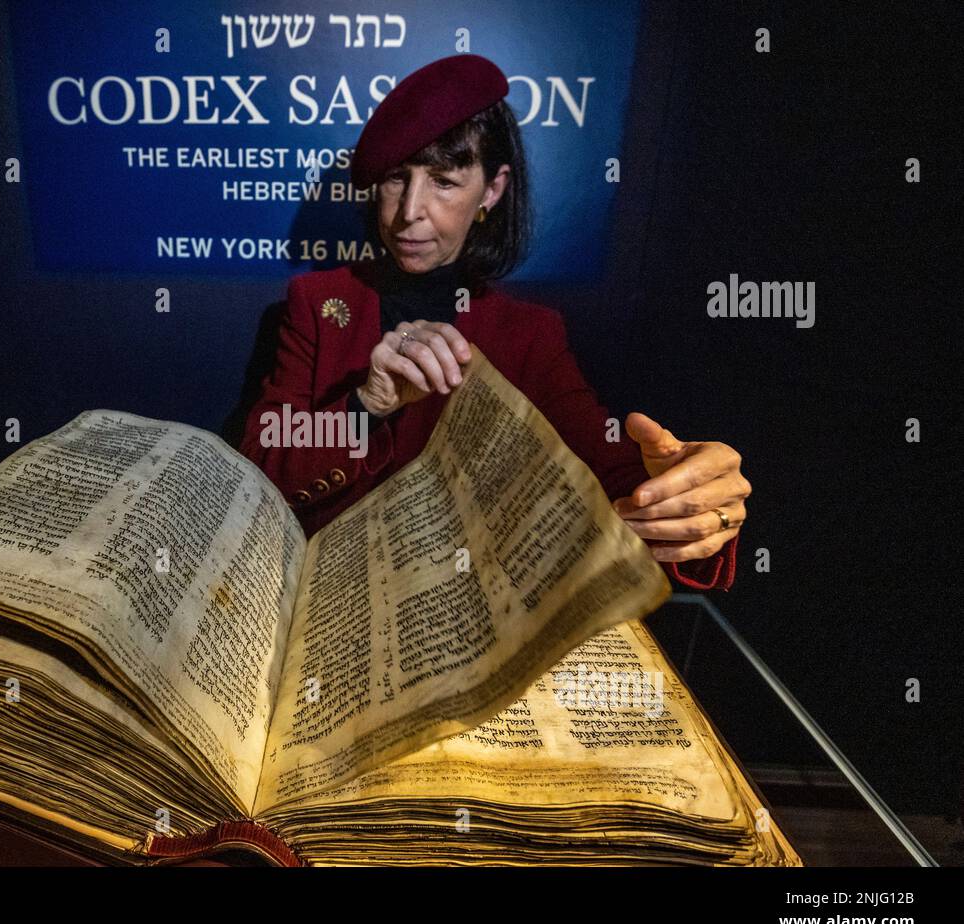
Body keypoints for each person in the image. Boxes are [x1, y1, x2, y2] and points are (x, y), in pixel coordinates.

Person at [240, 54, 748, 590]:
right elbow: (261, 462)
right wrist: (366, 408)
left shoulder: (528, 334)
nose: (409, 210)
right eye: (395, 178)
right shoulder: (318, 303)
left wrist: (684, 496)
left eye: (443, 181)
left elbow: (614, 484)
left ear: (491, 190)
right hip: (326, 593)